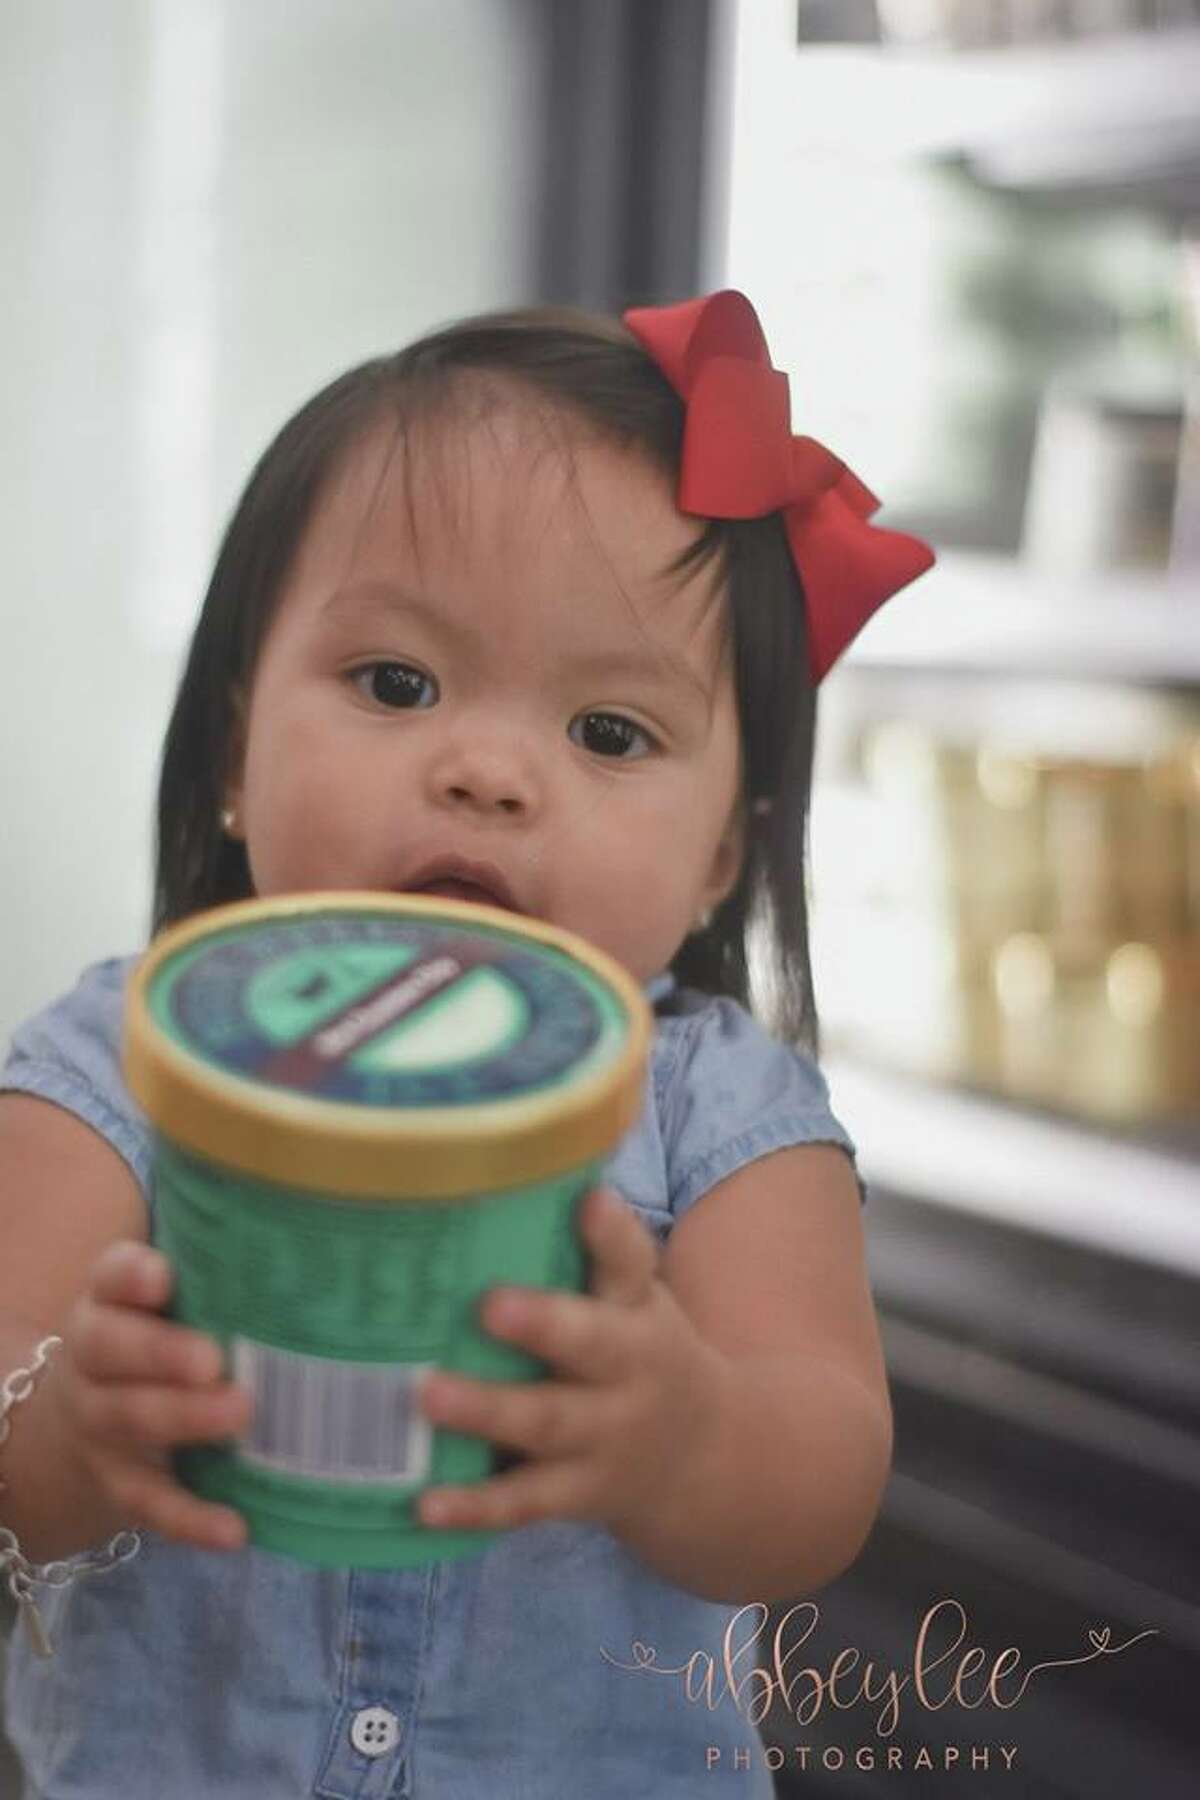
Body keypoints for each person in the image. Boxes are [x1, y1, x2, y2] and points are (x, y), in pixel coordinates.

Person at [0, 289, 934, 1797]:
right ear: (234, 748)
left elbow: (822, 1469)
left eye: (610, 732)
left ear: (720, 858)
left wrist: (685, 1436)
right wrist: (66, 1441)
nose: (489, 771)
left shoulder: (719, 1109)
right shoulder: (123, 1059)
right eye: (398, 684)